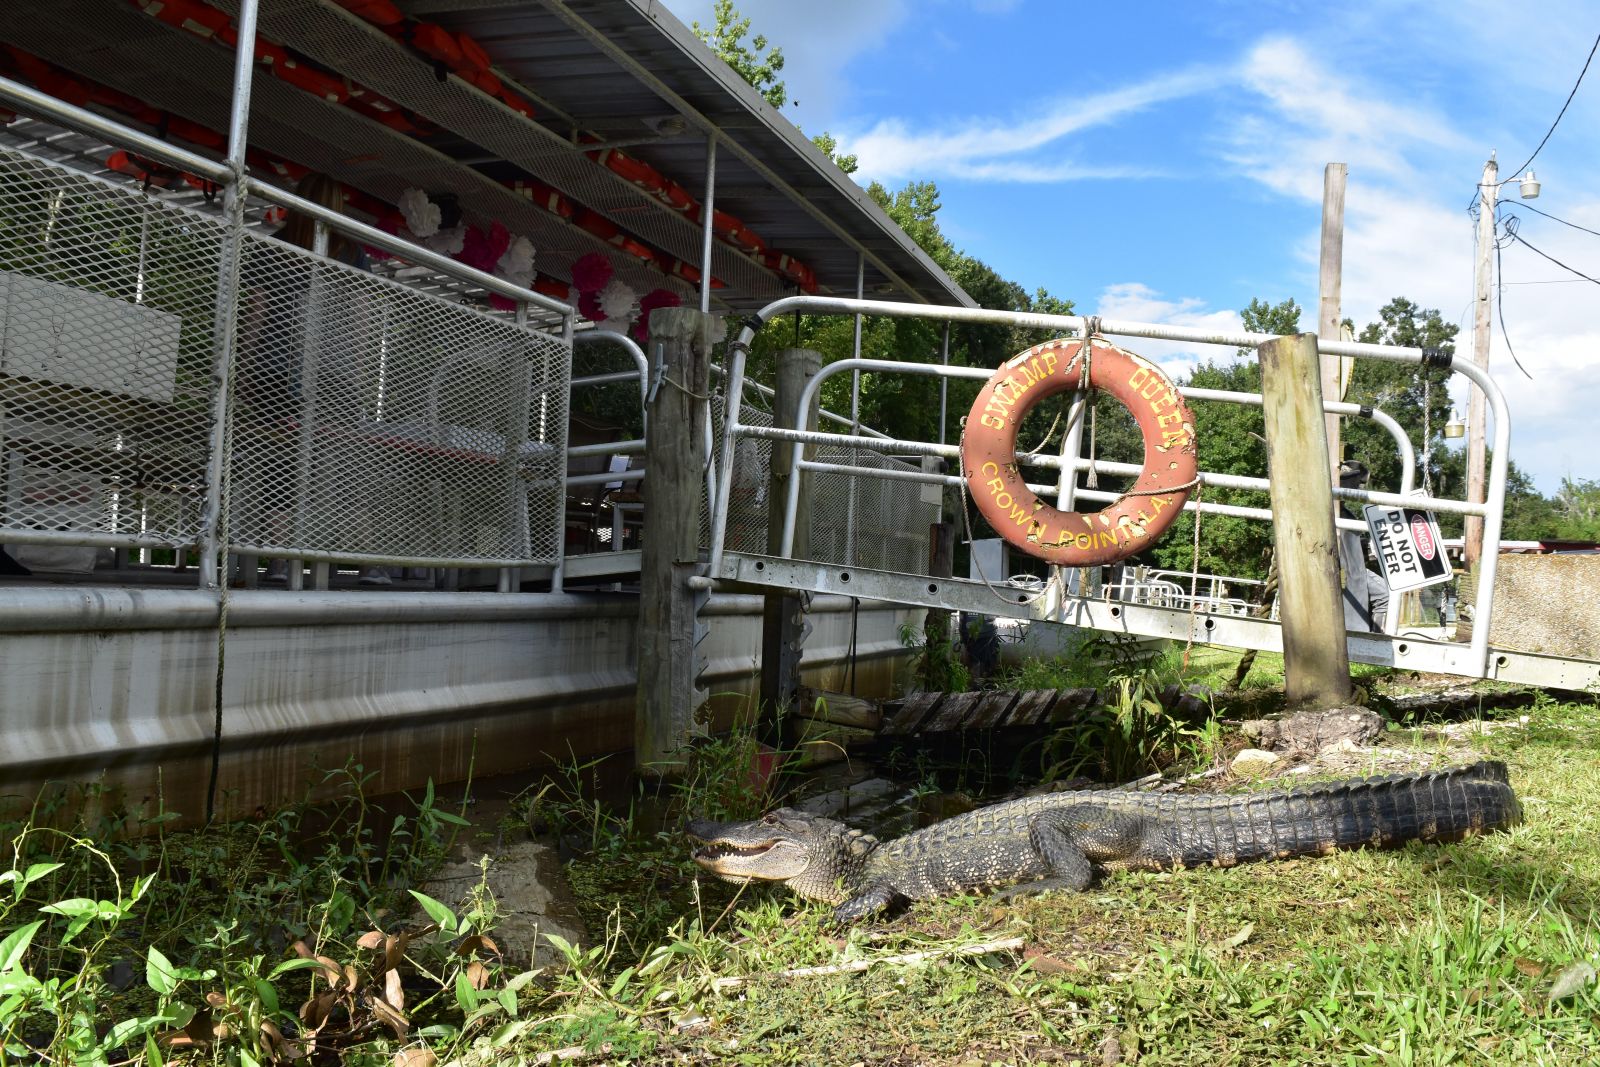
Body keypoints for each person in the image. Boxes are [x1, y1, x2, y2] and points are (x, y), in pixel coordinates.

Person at [240, 172, 391, 586]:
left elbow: (255, 313)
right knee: (342, 467)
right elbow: (360, 320)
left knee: (278, 464)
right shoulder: (351, 253)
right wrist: (357, 375)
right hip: (333, 372)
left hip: (274, 370)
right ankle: (367, 560)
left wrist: (249, 369)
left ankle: (279, 557)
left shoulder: (274, 245)